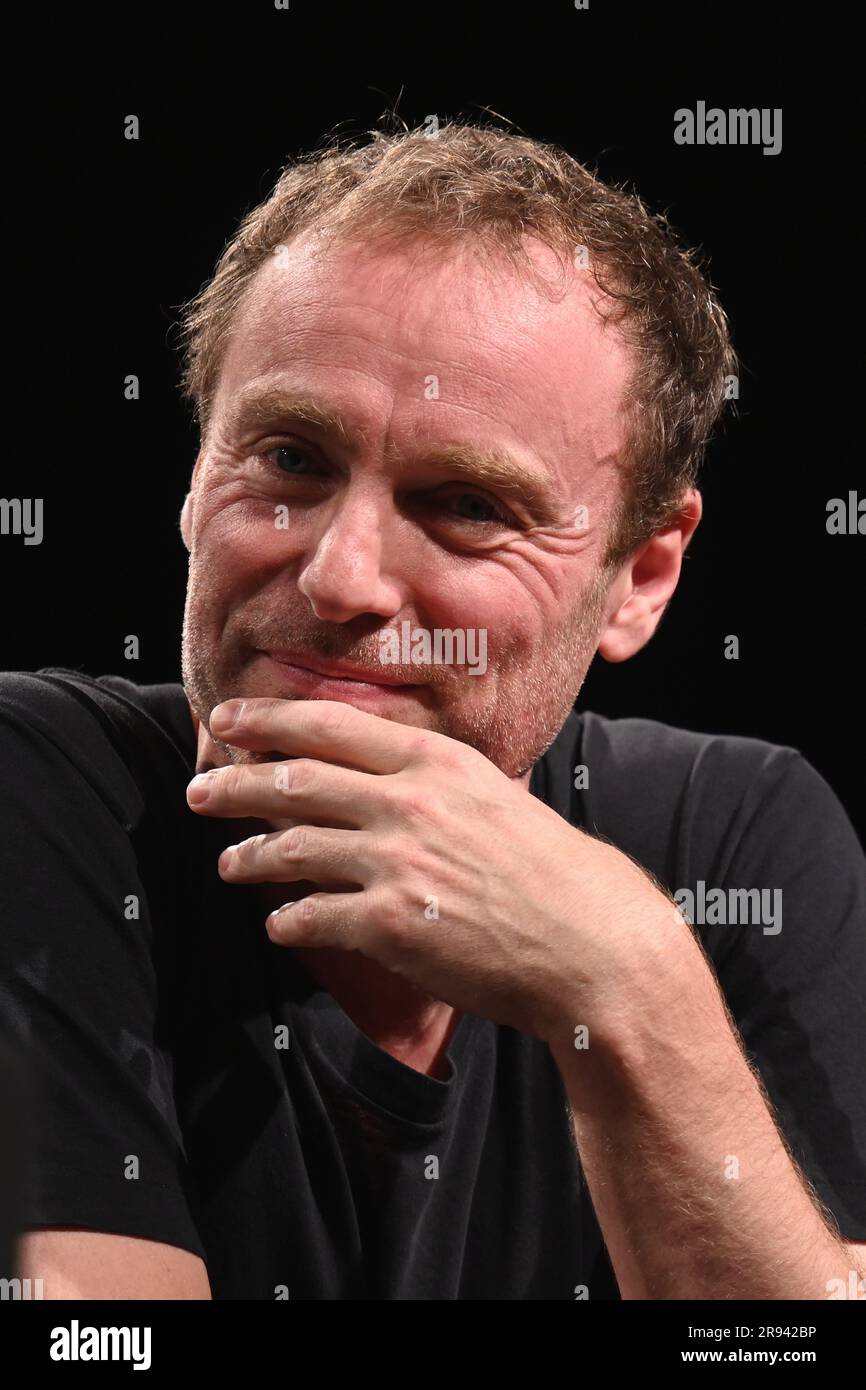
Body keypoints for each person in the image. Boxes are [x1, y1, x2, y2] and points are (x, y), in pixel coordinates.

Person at [4, 123, 865, 1300]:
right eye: (291, 459)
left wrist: (627, 986)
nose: (338, 577)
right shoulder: (44, 790)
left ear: (641, 575)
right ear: (196, 481)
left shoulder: (732, 832)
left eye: (464, 502)